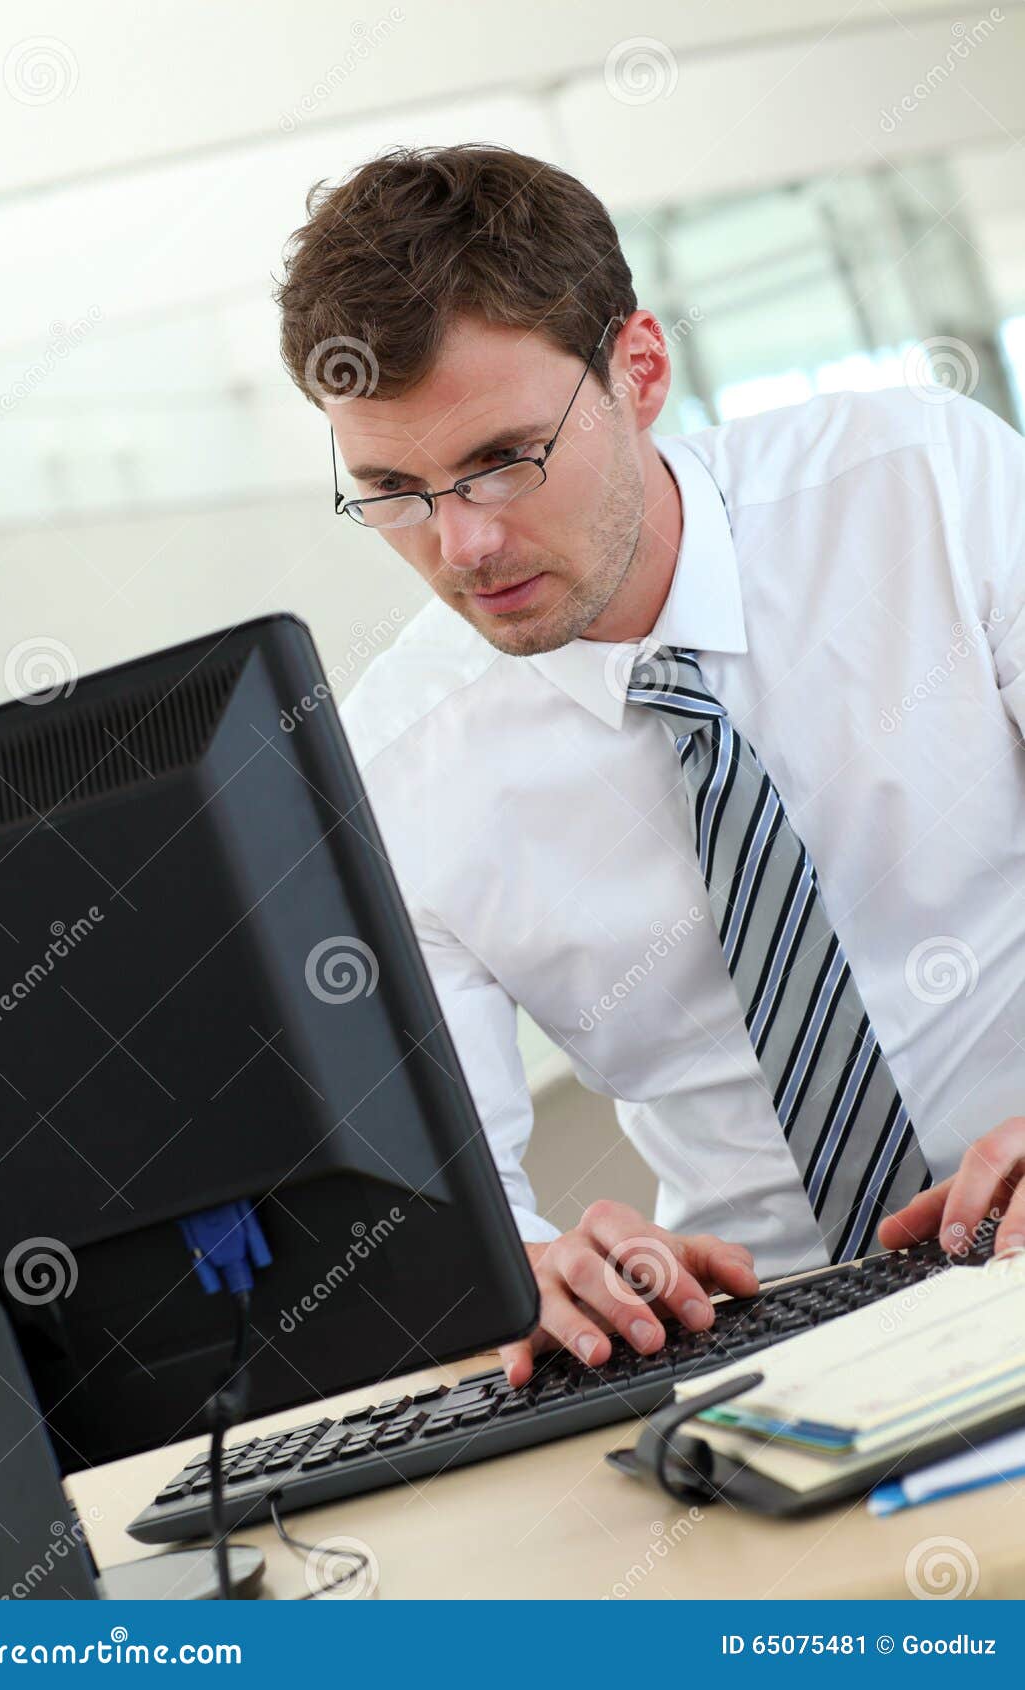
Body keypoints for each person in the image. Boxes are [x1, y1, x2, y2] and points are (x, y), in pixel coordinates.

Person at [275, 144, 1025, 1387]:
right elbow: (434, 1198)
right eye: (394, 491)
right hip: (762, 1338)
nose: (461, 543)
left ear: (638, 371)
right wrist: (519, 1269)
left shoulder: (926, 486)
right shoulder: (394, 765)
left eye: (505, 458)